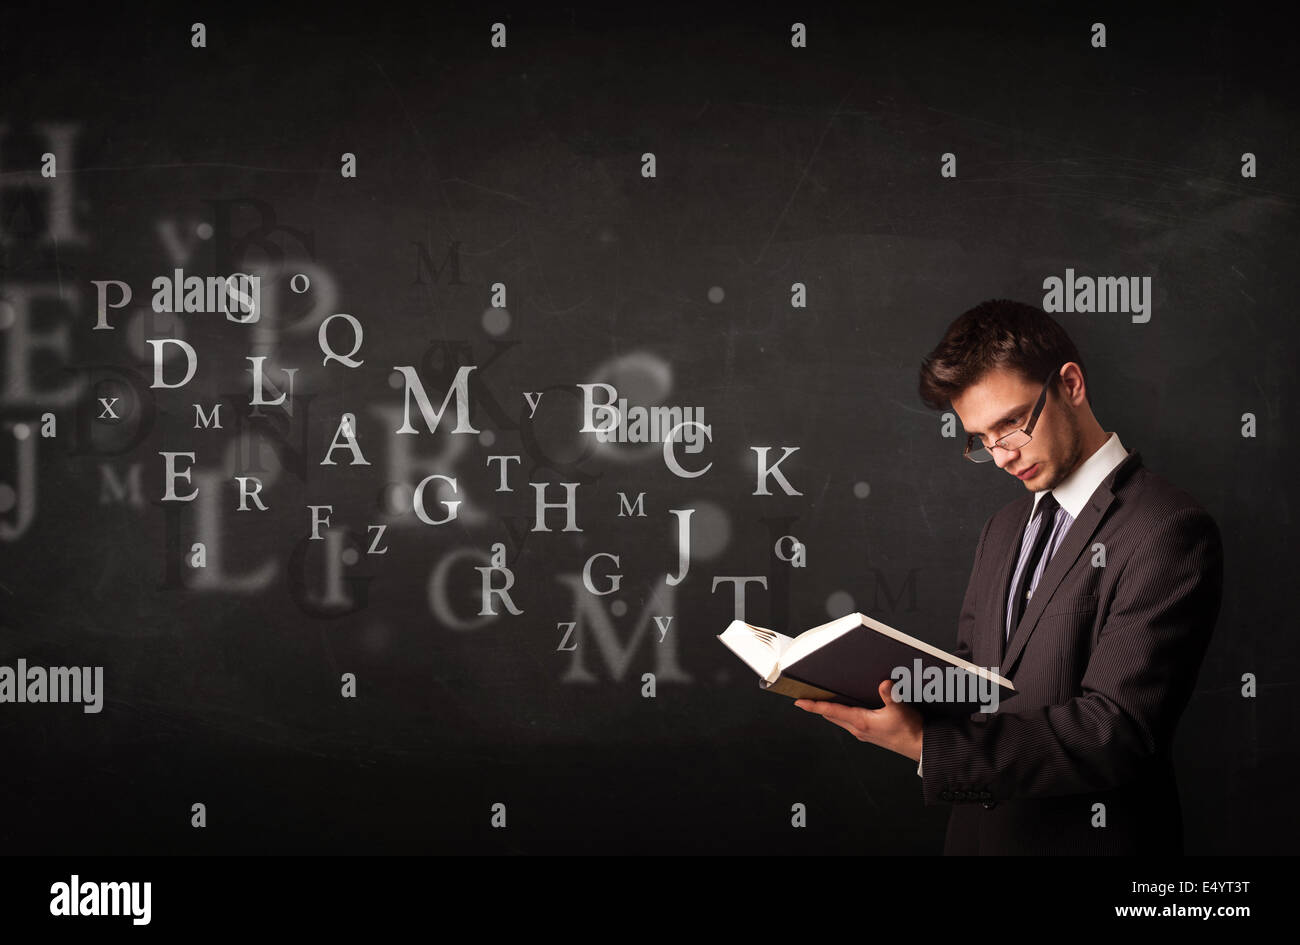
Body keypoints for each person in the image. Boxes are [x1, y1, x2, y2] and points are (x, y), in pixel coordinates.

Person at [795, 299, 1224, 854]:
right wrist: (885, 690)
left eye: (1011, 425)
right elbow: (979, 688)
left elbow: (1115, 731)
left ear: (1070, 384)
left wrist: (928, 747)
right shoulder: (1003, 527)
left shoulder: (1167, 526)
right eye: (980, 438)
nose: (1000, 457)